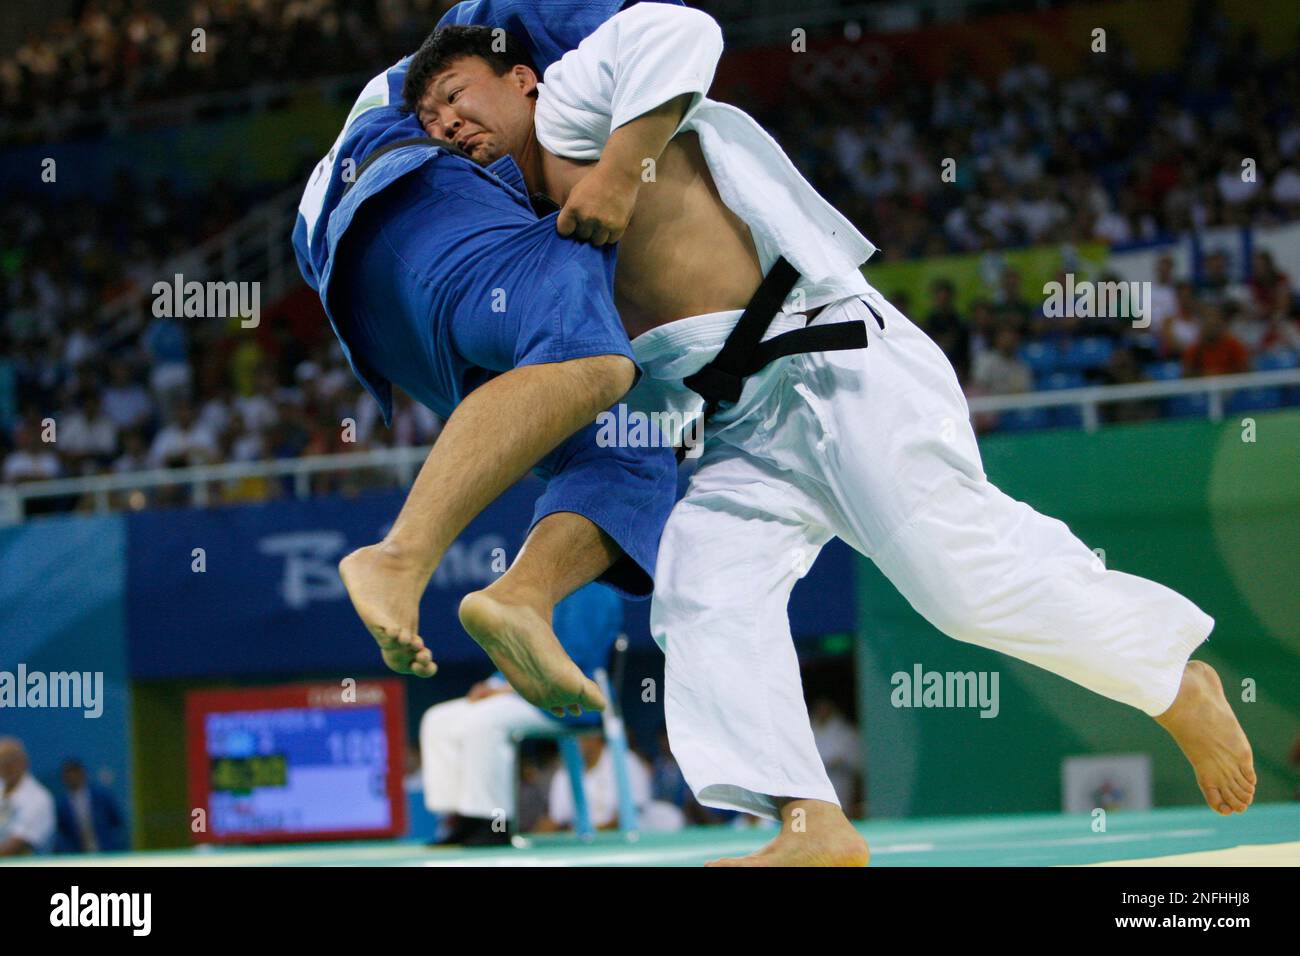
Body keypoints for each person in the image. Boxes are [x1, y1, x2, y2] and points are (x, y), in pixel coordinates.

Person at [402, 1, 1256, 865]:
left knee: (961, 588)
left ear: (518, 75)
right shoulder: (516, 237)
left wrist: (621, 170)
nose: (447, 123)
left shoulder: (575, 104)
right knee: (701, 588)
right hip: (740, 429)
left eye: (453, 93)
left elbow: (683, 32)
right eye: (431, 122)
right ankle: (812, 821)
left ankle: (1172, 681)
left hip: (836, 363)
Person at [291, 44, 677, 717]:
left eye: (452, 99)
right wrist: (618, 172)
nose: (444, 118)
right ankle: (398, 557)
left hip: (392, 309)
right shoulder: (498, 24)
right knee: (582, 318)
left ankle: (523, 596)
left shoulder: (497, 97)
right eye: (433, 105)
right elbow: (669, 33)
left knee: (633, 447)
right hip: (409, 204)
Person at [419, 583, 621, 845]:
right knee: (440, 719)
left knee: (486, 720)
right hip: (526, 694)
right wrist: (492, 684)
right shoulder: (540, 589)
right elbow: (517, 653)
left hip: (573, 700)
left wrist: (504, 689)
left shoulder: (595, 592)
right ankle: (461, 818)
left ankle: (494, 824)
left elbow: (570, 659)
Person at [54, 759, 126, 854]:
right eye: (68, 776)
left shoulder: (102, 796)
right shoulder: (62, 804)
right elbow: (62, 831)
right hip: (78, 855)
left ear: (82, 774)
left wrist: (115, 844)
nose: (72, 778)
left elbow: (116, 821)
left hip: (106, 851)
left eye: (75, 774)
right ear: (64, 778)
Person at [0, 738, 56, 856]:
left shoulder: (39, 798)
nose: (5, 766)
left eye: (10, 761)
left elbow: (17, 847)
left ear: (24, 762)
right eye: (1, 762)